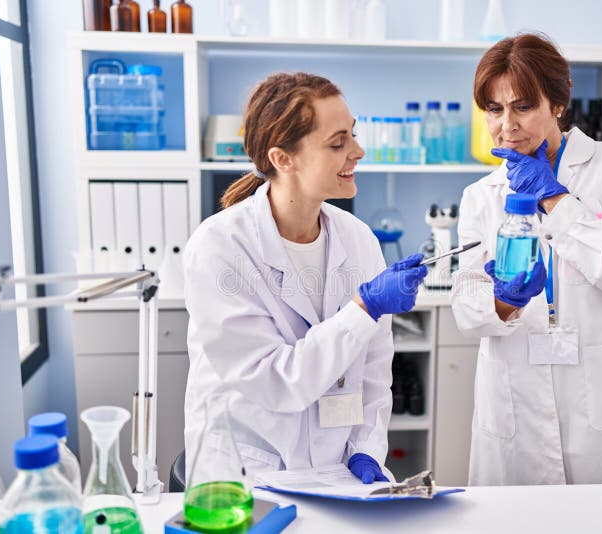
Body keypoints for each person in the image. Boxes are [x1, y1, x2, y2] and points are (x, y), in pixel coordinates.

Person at [450, 33, 602, 486]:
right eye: (494, 109)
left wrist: (555, 200)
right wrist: (503, 301)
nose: (507, 125)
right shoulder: (480, 196)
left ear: (557, 103)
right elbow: (466, 308)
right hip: (517, 410)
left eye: (522, 106)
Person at [183, 72, 427, 484]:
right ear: (283, 159)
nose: (358, 151)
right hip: (246, 476)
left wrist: (366, 448)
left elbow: (373, 368)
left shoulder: (358, 239)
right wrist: (363, 309)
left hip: (336, 467)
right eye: (337, 143)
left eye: (353, 135)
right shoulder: (220, 247)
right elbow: (276, 382)